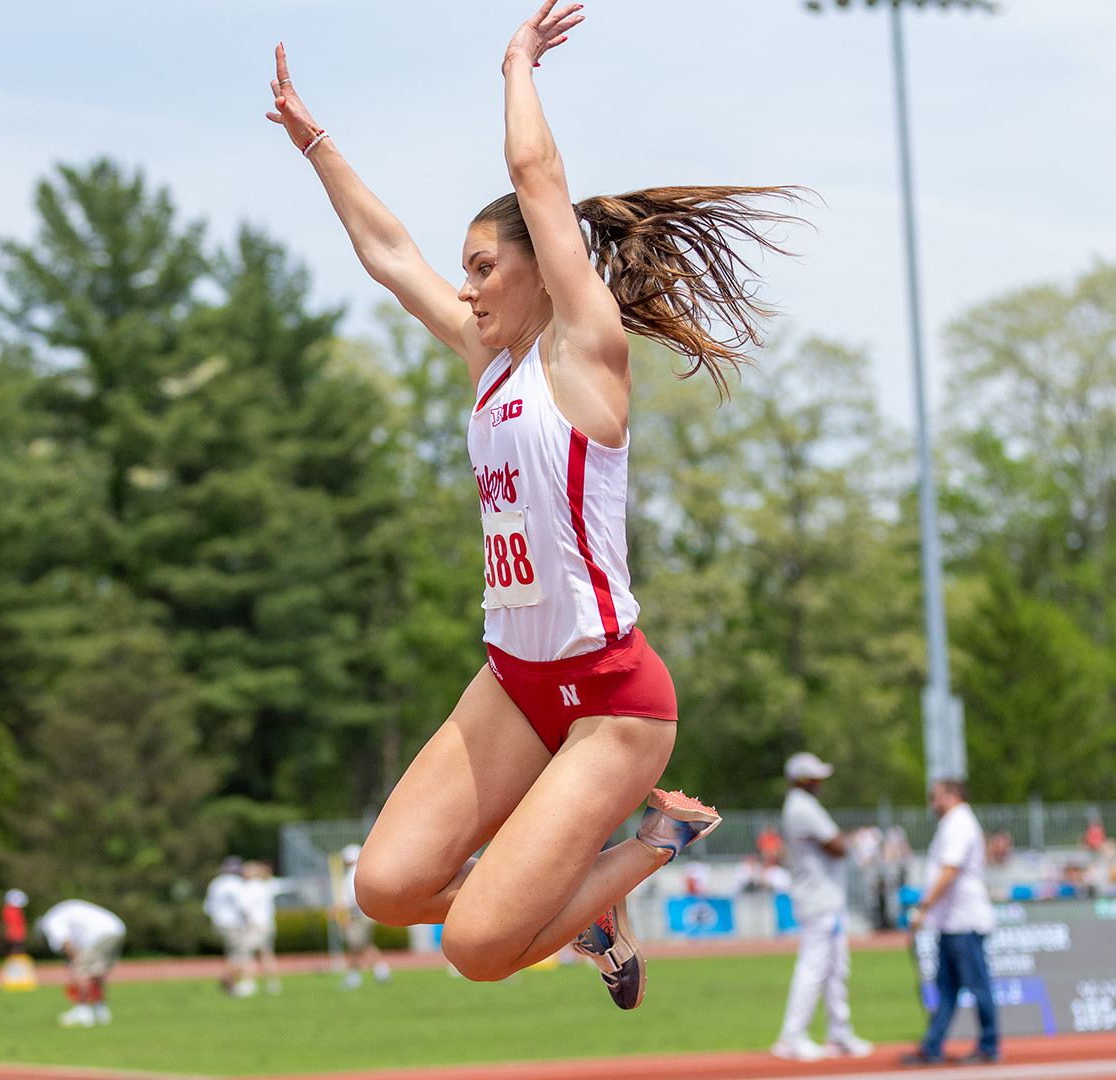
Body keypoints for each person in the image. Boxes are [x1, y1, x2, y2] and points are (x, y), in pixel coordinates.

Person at [267, 1, 801, 1009]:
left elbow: (537, 181)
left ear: (542, 272)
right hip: (514, 679)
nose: (465, 290)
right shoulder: (488, 359)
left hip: (609, 699)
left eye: (482, 268)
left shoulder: (586, 356)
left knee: (475, 947)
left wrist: (519, 65)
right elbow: (387, 255)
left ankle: (651, 844)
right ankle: (579, 906)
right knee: (386, 886)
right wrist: (318, 145)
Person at [770, 752, 873, 1062]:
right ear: (804, 779)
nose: (820, 782)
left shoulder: (802, 806)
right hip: (819, 900)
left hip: (824, 898)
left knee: (835, 968)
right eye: (816, 777)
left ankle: (839, 1033)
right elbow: (838, 846)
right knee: (815, 967)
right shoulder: (803, 807)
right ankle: (791, 1037)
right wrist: (858, 839)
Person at [903, 779, 999, 1067]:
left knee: (978, 985)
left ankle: (989, 1045)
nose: (932, 802)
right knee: (946, 988)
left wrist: (923, 907)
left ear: (952, 795)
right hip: (951, 922)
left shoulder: (959, 824)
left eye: (936, 796)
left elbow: (949, 871)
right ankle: (932, 1045)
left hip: (965, 922)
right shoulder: (952, 823)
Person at [38, 899, 126, 1028]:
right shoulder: (60, 912)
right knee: (97, 973)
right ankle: (101, 1012)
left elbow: (66, 943)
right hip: (116, 929)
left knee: (82, 972)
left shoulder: (50, 921)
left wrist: (74, 962)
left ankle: (83, 1013)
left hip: (98, 935)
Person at [332, 845, 392, 988]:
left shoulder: (352, 875)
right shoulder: (361, 873)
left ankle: (369, 973)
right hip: (363, 914)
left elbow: (353, 899)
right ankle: (377, 971)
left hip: (359, 915)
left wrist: (340, 908)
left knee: (357, 944)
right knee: (360, 945)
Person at [205, 856, 257, 996]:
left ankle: (230, 984)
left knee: (233, 955)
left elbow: (208, 908)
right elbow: (244, 907)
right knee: (239, 956)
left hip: (218, 924)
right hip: (233, 925)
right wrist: (249, 923)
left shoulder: (215, 883)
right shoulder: (237, 883)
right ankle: (227, 982)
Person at [240, 860, 287, 995]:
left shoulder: (248, 887)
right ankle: (273, 983)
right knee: (266, 954)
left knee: (247, 954)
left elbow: (245, 909)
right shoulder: (265, 886)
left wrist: (248, 924)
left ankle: (249, 983)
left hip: (255, 925)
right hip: (267, 924)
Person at [1, 890, 29, 956]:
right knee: (15, 949)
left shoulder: (15, 910)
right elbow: (7, 923)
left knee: (18, 949)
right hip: (14, 934)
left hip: (17, 934)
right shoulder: (9, 910)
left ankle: (18, 962)